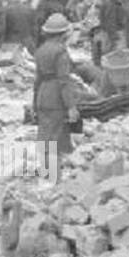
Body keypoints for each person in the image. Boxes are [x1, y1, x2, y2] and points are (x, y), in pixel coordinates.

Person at [32, 12, 86, 171]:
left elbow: (37, 79)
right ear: (63, 34)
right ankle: (51, 171)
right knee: (54, 133)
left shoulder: (40, 50)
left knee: (48, 130)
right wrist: (71, 106)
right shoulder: (60, 52)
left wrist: (34, 102)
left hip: (43, 93)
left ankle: (58, 164)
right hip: (55, 96)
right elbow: (64, 80)